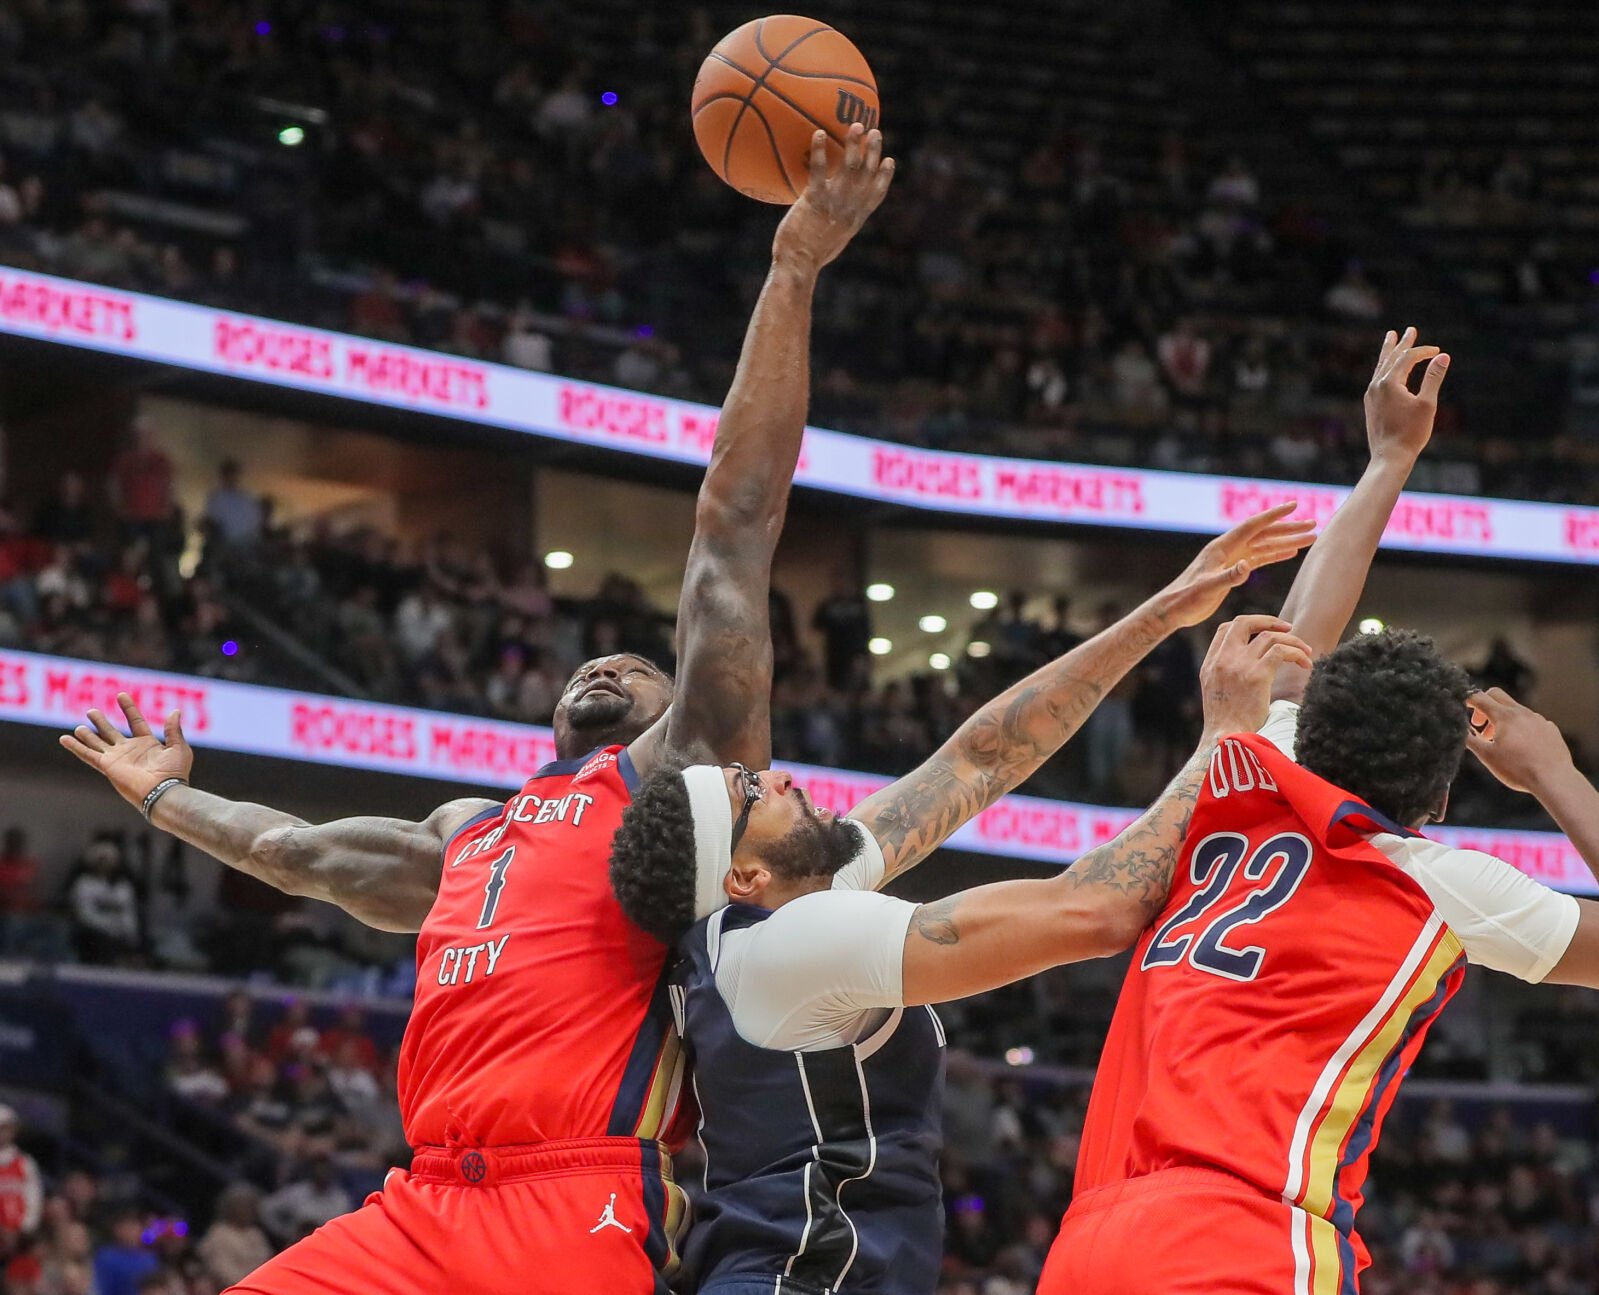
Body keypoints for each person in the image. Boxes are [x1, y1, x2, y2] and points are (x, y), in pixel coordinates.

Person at [58, 124, 895, 1295]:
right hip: (419, 1198)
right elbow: (296, 851)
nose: (602, 666)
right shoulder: (470, 833)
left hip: (581, 1195)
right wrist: (165, 795)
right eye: (584, 664)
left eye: (631, 665)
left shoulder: (685, 789)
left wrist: (794, 266)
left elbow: (734, 522)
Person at [607, 507, 1316, 1295]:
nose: (775, 775)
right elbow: (1092, 910)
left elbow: (982, 759)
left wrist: (1166, 607)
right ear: (742, 877)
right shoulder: (796, 940)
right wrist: (1224, 733)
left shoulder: (768, 916)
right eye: (751, 793)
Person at [1038, 331, 1599, 1294]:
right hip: (1242, 1242)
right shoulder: (1431, 881)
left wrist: (1386, 460)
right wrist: (1553, 771)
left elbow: (1297, 638)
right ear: (1439, 794)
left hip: (1092, 1234)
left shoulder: (1237, 781)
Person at [0, 1106, 41, 1258]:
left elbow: (33, 1197)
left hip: (20, 1238)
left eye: (5, 1128)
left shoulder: (25, 1162)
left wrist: (24, 1228)